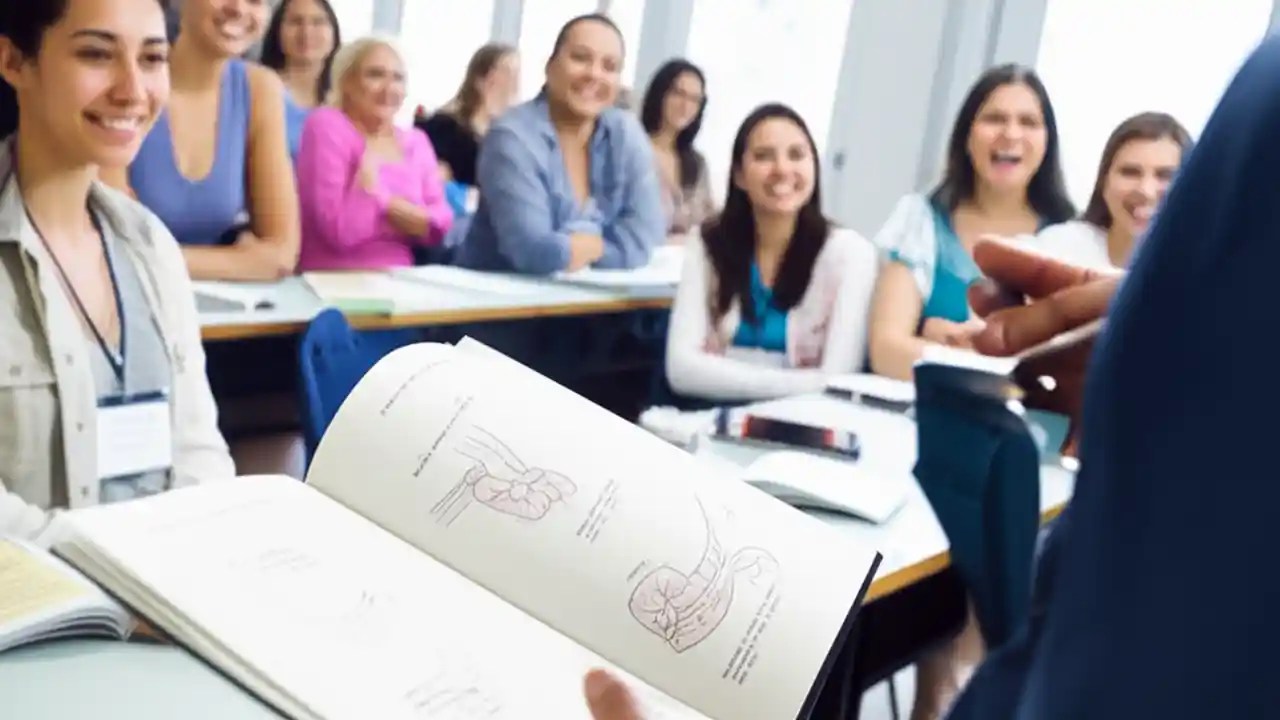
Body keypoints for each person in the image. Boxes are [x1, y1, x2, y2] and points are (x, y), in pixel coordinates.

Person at [0, 0, 233, 546]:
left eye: (153, 59)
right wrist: (115, 581)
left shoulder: (149, 244)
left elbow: (199, 448)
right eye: (96, 55)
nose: (132, 90)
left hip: (167, 599)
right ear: (14, 62)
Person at [868, 64, 1075, 383]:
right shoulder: (920, 220)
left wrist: (942, 349)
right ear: (966, 135)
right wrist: (986, 361)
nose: (1011, 134)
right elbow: (886, 350)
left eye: (1029, 122)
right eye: (995, 119)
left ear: (1048, 142)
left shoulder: (1070, 240)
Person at [663, 103, 877, 404]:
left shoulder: (851, 254)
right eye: (763, 156)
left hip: (800, 424)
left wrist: (720, 374)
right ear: (739, 174)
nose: (782, 169)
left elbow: (838, 381)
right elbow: (681, 371)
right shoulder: (707, 241)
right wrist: (804, 381)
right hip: (704, 416)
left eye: (796, 155)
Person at [454, 13, 665, 275]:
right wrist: (606, 243)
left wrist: (588, 247)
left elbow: (644, 240)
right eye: (580, 58)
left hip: (594, 306)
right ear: (550, 67)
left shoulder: (625, 132)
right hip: (500, 307)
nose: (594, 74)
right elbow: (532, 251)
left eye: (609, 66)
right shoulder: (511, 136)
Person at [104, 0, 299, 281]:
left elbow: (280, 256)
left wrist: (156, 257)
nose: (239, 9)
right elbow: (115, 248)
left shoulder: (260, 88)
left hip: (223, 314)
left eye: (256, 0)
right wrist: (244, 262)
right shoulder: (129, 82)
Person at [295, 36, 453, 271]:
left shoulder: (416, 141)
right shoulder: (326, 126)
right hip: (333, 279)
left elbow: (439, 226)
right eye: (375, 75)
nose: (389, 89)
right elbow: (339, 232)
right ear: (346, 82)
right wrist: (400, 215)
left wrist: (376, 196)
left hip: (402, 279)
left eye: (398, 78)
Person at [1032, 112, 1191, 269]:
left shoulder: (1205, 269)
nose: (1145, 191)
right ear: (1104, 181)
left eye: (1166, 175)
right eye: (1130, 172)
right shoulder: (1056, 249)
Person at [415, 43, 519, 189]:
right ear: (481, 80)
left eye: (516, 73)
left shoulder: (511, 137)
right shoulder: (445, 127)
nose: (514, 81)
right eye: (507, 71)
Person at [640, 58, 716, 238]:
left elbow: (708, 223)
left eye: (694, 100)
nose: (685, 106)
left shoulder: (697, 163)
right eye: (678, 94)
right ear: (660, 94)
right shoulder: (632, 151)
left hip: (684, 261)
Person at [258, 0, 341, 162]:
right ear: (277, 31)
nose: (306, 32)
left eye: (318, 22)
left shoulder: (349, 99)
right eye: (295, 22)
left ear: (334, 33)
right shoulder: (257, 90)